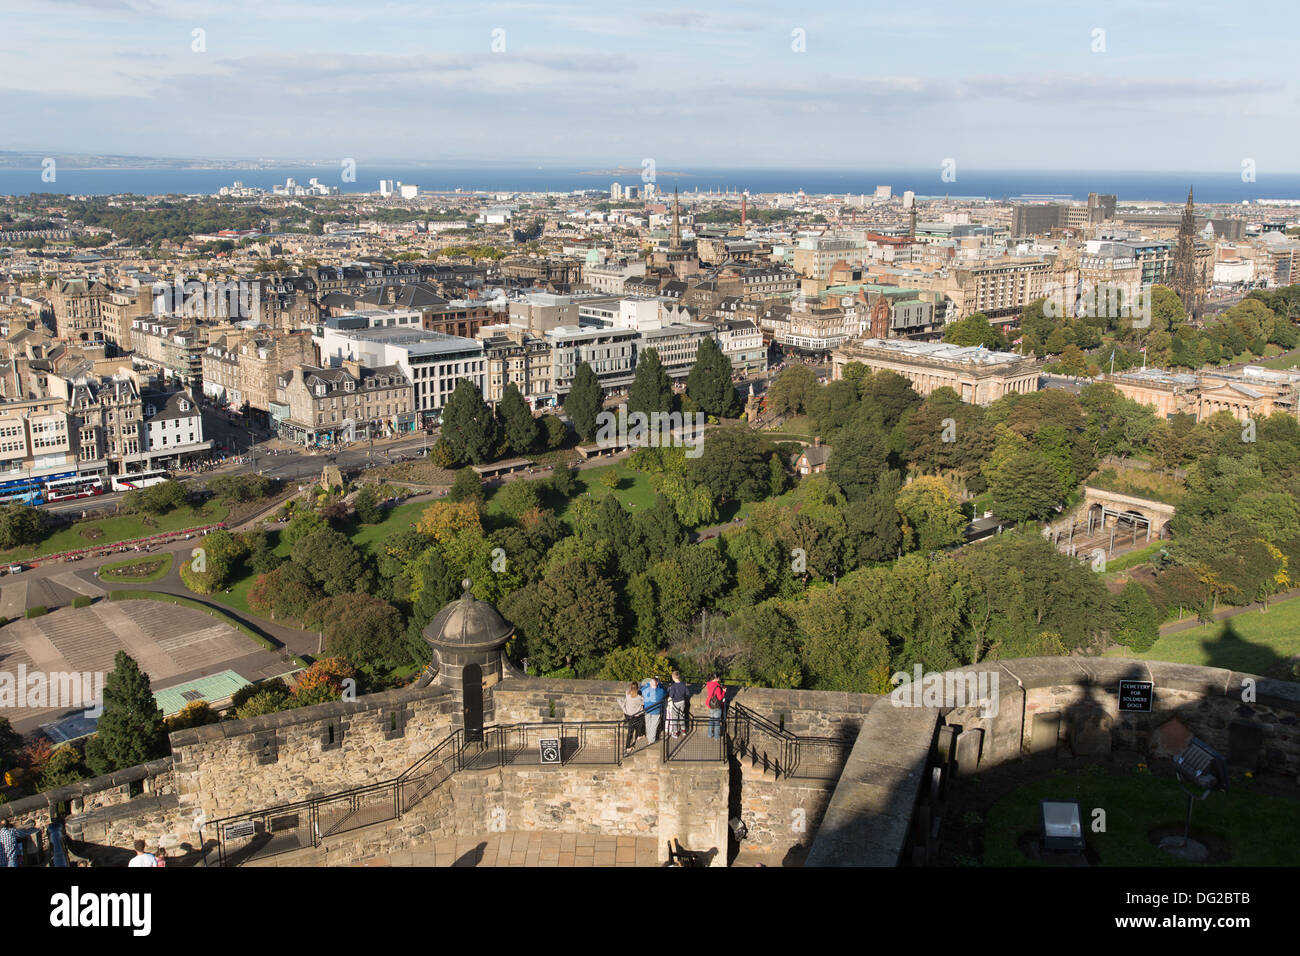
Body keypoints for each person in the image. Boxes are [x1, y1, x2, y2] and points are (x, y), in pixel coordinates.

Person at [639, 676, 667, 744]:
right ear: (657, 683)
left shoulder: (645, 690)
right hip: (656, 711)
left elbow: (641, 689)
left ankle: (649, 737)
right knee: (654, 725)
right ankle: (651, 740)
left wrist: (649, 683)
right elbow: (665, 692)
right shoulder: (661, 691)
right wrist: (659, 683)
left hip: (647, 709)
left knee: (648, 723)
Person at [666, 671, 691, 738]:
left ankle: (676, 732)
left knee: (675, 718)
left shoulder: (673, 686)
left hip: (675, 703)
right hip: (682, 702)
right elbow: (688, 693)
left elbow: (671, 695)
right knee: (682, 716)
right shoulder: (683, 684)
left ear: (673, 677)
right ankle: (683, 731)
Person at [620, 682, 643, 753]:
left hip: (627, 714)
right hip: (634, 716)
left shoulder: (627, 693)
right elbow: (643, 703)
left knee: (632, 728)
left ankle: (638, 735)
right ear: (637, 688)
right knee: (631, 731)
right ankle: (628, 746)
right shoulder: (639, 698)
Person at [704, 673, 727, 739]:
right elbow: (720, 698)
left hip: (710, 704)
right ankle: (716, 737)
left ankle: (709, 734)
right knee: (717, 722)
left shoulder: (709, 683)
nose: (719, 678)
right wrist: (724, 691)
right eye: (718, 677)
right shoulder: (717, 687)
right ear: (716, 678)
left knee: (711, 719)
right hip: (716, 705)